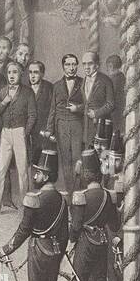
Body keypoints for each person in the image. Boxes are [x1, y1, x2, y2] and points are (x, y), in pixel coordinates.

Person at [0, 148, 68, 281]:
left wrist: (7, 249)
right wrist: (60, 253)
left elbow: (23, 230)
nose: (34, 175)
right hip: (54, 249)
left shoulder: (35, 200)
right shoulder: (61, 199)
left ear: (45, 175)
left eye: (37, 172)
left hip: (39, 249)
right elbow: (65, 233)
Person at [58, 148, 120, 281]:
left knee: (78, 279)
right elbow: (115, 225)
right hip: (102, 240)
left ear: (86, 174)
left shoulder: (81, 198)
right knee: (100, 278)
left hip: (86, 242)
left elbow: (76, 226)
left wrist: (71, 241)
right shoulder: (109, 196)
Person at [0, 61, 37, 218]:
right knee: (1, 170)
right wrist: (4, 101)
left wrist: (25, 133)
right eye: (9, 72)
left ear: (21, 74)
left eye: (15, 72)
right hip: (5, 133)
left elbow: (33, 115)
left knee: (22, 171)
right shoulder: (3, 91)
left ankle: (26, 206)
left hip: (20, 132)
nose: (12, 75)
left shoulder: (28, 92)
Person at [52, 53, 85, 194]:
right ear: (63, 66)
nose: (71, 68)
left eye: (73, 64)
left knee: (77, 158)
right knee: (65, 159)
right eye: (68, 64)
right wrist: (49, 129)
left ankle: (78, 191)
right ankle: (70, 193)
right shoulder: (57, 85)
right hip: (61, 125)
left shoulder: (84, 83)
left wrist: (78, 108)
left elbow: (90, 104)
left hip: (77, 124)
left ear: (77, 66)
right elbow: (52, 109)